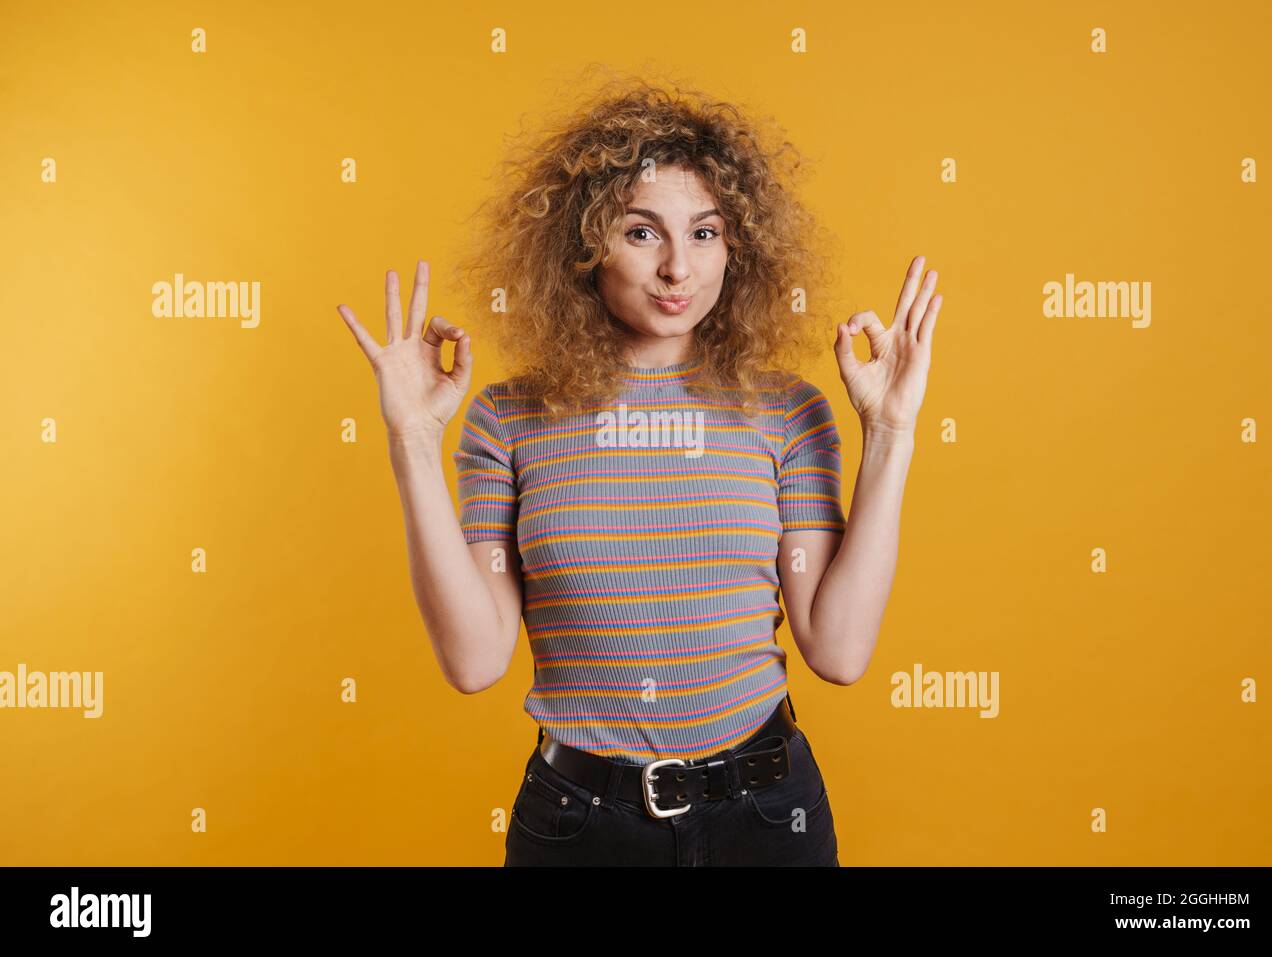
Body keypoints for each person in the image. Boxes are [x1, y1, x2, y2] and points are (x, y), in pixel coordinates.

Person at [335, 73, 942, 866]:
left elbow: (839, 649)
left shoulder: (787, 411)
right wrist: (412, 441)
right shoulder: (506, 420)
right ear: (585, 246)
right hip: (580, 825)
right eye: (643, 232)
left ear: (738, 246)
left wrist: (891, 431)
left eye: (706, 232)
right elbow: (474, 660)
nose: (678, 269)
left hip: (767, 817)